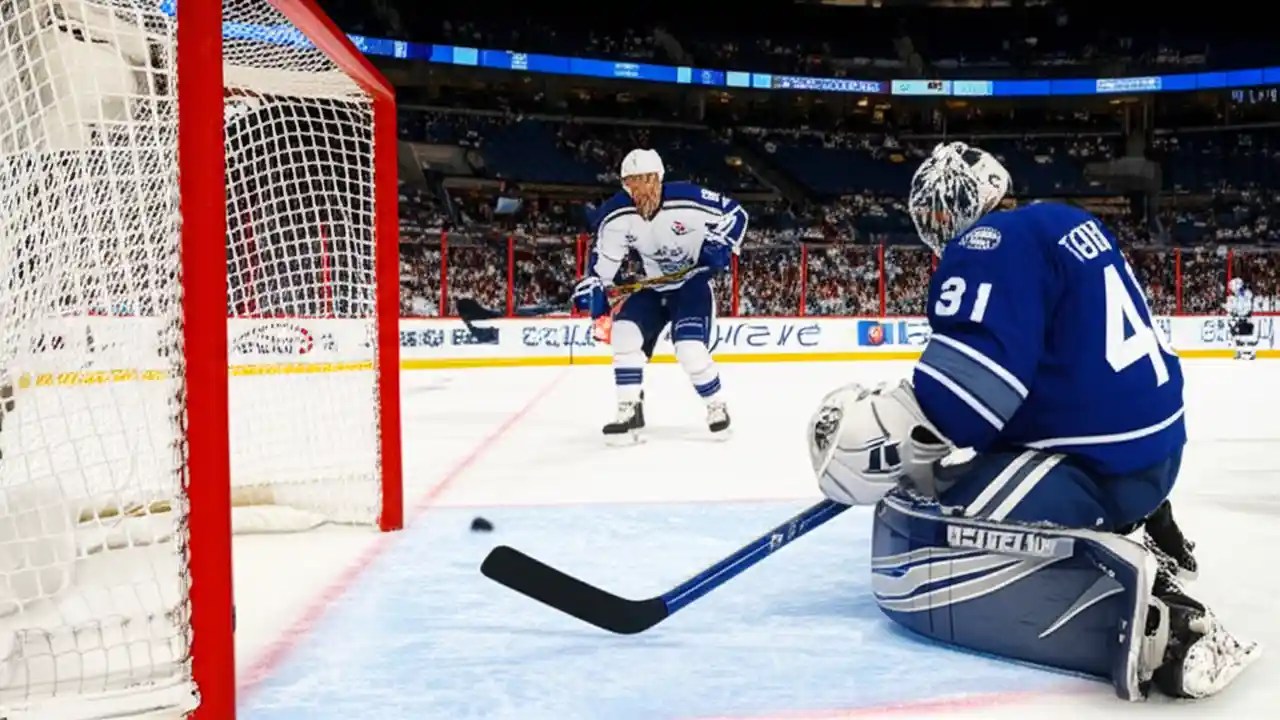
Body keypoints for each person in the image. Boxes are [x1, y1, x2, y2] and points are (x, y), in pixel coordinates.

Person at [806, 142, 1257, 700]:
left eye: (942, 212)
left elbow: (970, 399)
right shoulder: (1066, 222)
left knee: (928, 539)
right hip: (1152, 454)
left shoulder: (988, 242)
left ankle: (1167, 627)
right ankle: (1148, 523)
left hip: (1096, 467)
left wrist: (884, 435)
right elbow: (1066, 371)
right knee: (964, 476)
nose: (941, 227)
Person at [574, 149, 748, 442]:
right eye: (631, 182)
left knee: (690, 349)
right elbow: (604, 266)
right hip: (654, 285)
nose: (639, 188)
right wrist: (594, 285)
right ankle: (628, 408)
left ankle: (716, 406)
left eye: (645, 180)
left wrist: (721, 243)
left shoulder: (688, 198)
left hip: (692, 283)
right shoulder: (615, 215)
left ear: (659, 179)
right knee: (624, 333)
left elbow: (736, 213)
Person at [1226, 276, 1257, 360]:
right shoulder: (1236, 296)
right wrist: (1233, 314)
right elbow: (1234, 307)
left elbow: (1247, 306)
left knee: (1247, 336)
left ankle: (1251, 352)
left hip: (1246, 318)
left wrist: (1242, 314)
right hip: (1239, 318)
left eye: (1232, 286)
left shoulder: (1246, 293)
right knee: (1236, 336)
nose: (1232, 289)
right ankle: (1239, 352)